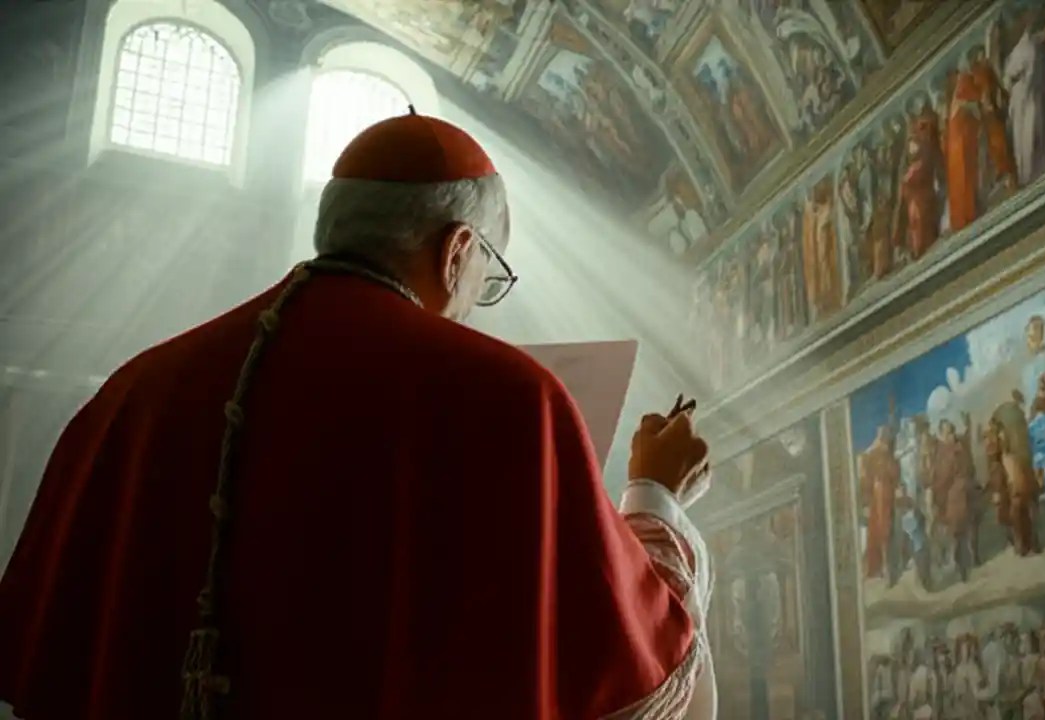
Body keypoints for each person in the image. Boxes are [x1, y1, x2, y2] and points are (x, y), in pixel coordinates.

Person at [0, 111, 718, 720]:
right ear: (458, 250)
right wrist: (654, 491)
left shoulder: (136, 388)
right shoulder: (508, 395)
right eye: (486, 276)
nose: (473, 300)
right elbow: (634, 665)